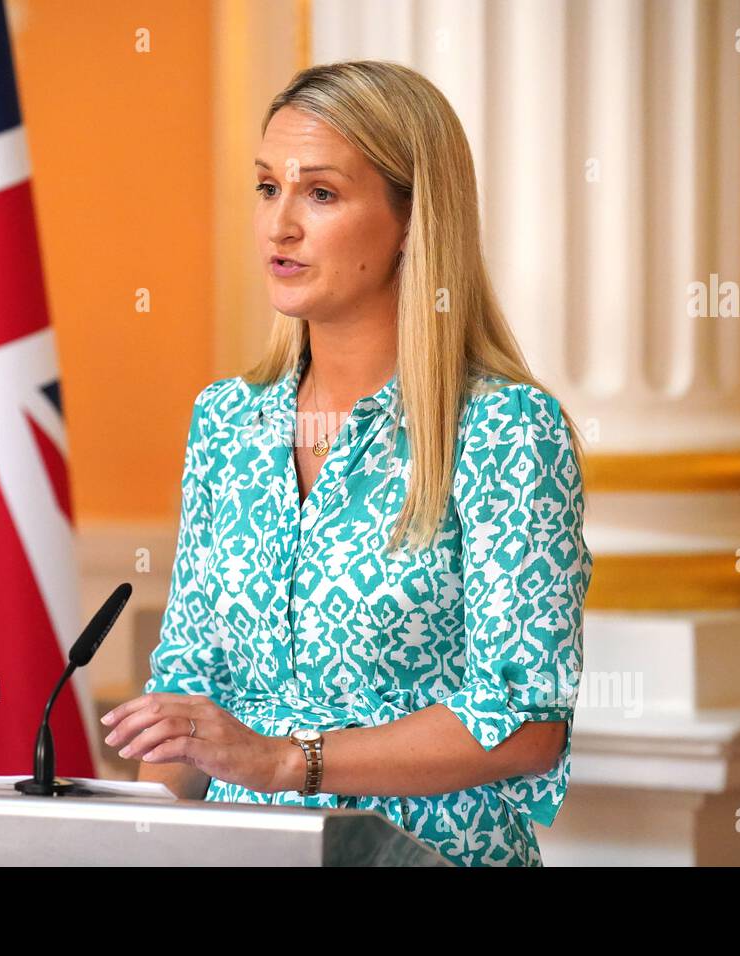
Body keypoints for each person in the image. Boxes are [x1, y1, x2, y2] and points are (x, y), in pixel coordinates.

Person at [100, 59, 593, 867]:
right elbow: (190, 695)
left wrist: (288, 760)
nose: (279, 225)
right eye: (267, 188)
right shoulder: (226, 422)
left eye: (320, 194)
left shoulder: (506, 430)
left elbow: (523, 722)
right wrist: (133, 842)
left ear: (412, 219)